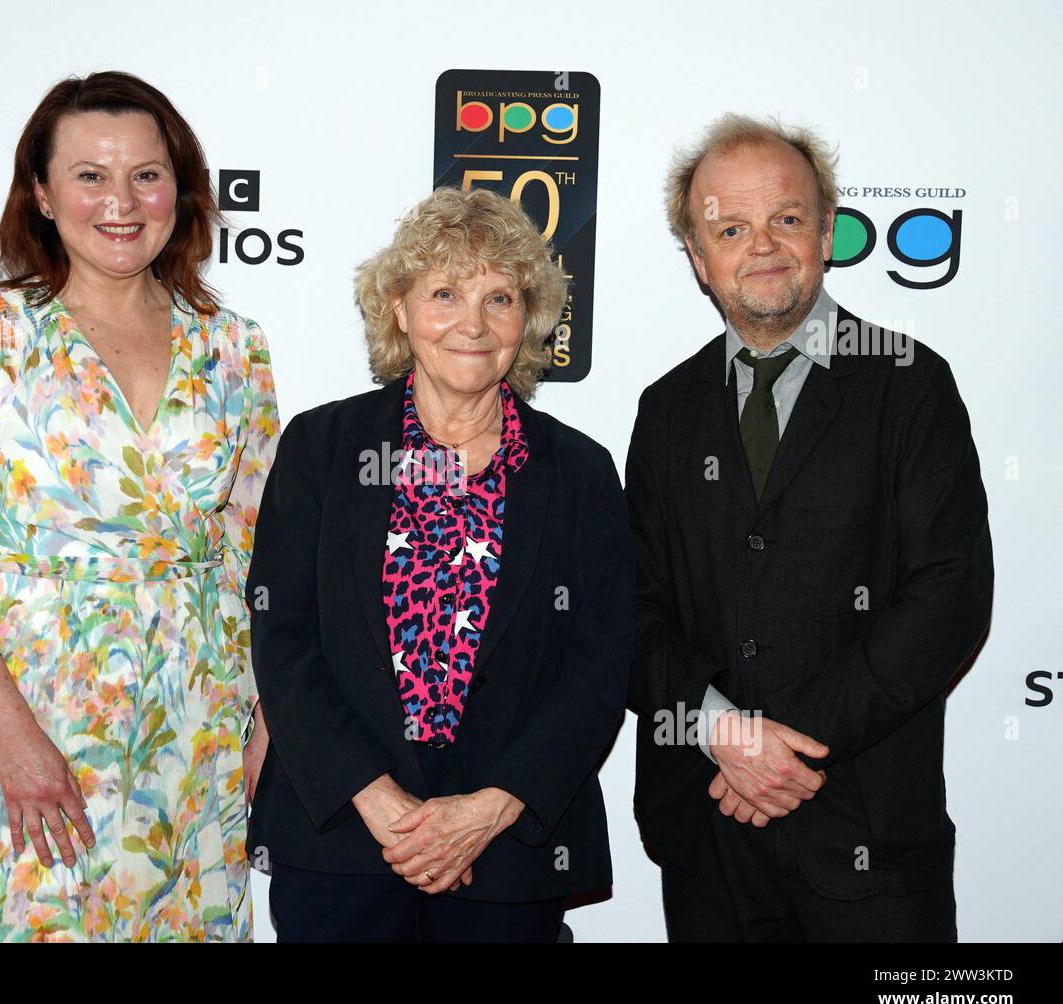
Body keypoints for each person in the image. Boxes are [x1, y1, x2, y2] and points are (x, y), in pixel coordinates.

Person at [0, 71, 278, 942]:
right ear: (42, 194)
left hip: (195, 732)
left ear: (181, 189)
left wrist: (266, 722)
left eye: (146, 175)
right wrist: (15, 744)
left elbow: (260, 556)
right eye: (90, 175)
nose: (121, 202)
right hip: (32, 725)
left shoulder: (232, 346)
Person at [626, 113, 993, 942]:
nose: (761, 245)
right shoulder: (665, 412)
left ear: (827, 232)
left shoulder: (912, 385)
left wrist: (784, 751)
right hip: (709, 845)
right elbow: (632, 611)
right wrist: (720, 731)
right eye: (729, 227)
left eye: (786, 218)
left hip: (870, 839)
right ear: (697, 258)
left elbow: (950, 596)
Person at [246, 188, 632, 942]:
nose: (474, 323)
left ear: (530, 318)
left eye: (501, 297)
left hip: (509, 848)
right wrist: (385, 806)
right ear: (399, 308)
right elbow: (283, 640)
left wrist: (489, 808)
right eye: (445, 293)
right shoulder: (322, 449)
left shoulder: (581, 472)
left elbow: (601, 663)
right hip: (341, 841)